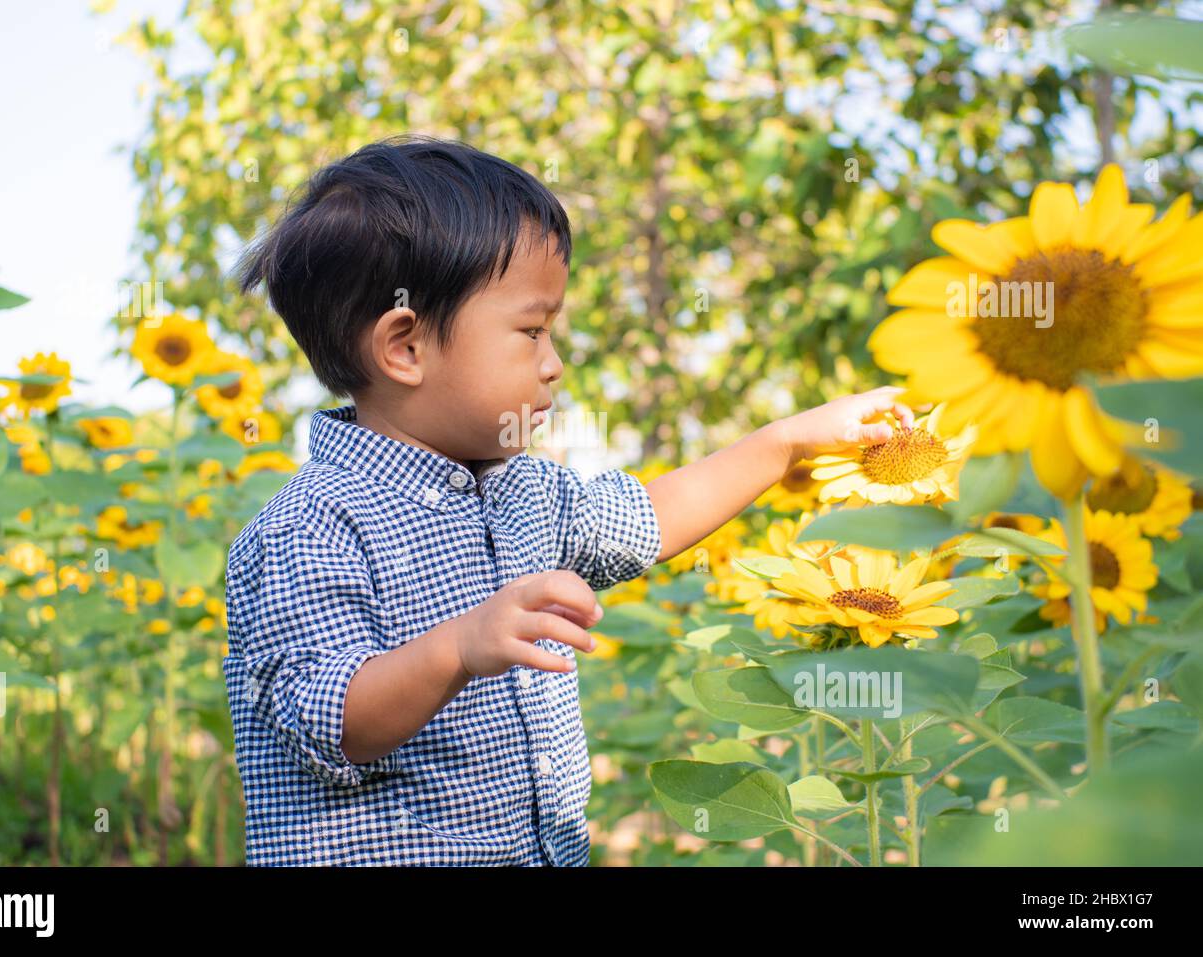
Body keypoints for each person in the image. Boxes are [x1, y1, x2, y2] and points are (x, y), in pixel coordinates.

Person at [224, 133, 914, 865]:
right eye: (532, 331)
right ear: (405, 347)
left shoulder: (529, 491)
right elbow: (334, 720)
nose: (554, 365)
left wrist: (784, 442)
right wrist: (459, 646)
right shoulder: (308, 527)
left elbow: (650, 518)